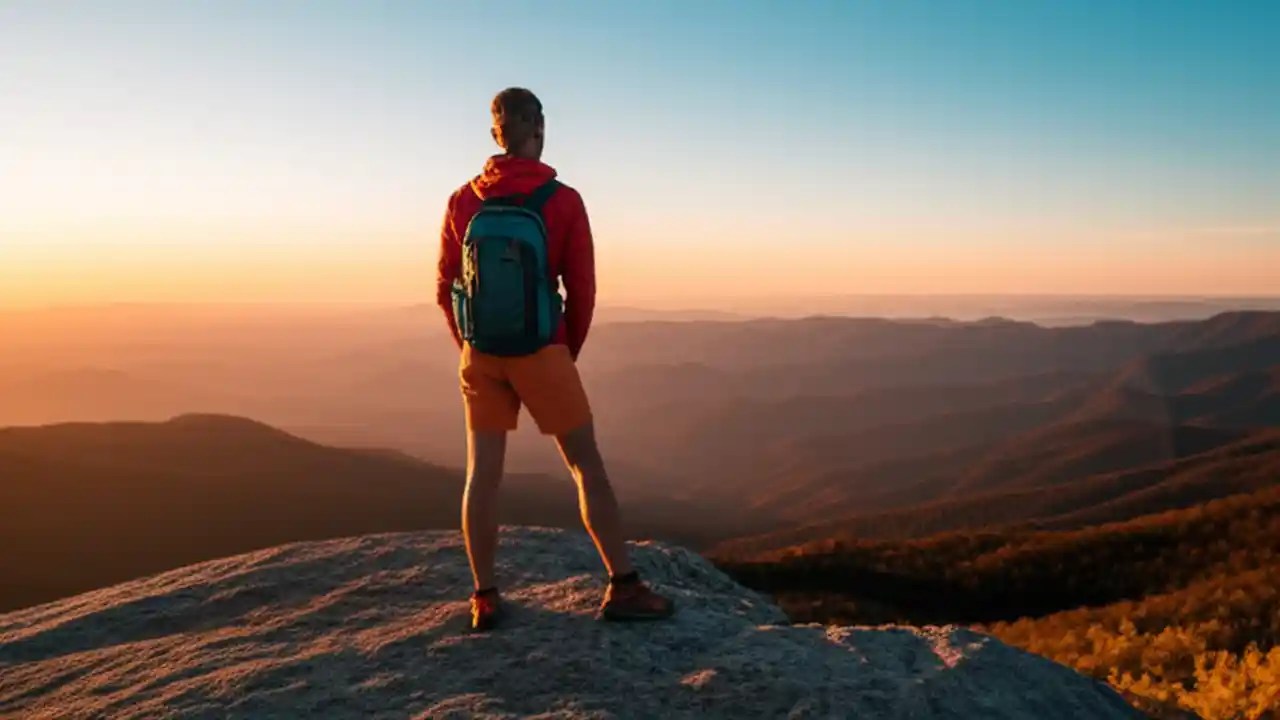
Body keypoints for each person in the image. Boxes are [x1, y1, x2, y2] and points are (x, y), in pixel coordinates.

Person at [436, 87, 675, 632]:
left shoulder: (462, 201)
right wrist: (563, 352)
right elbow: (583, 290)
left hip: (481, 354)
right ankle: (623, 586)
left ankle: (485, 596)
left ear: (495, 133)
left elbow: (444, 285)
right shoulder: (562, 200)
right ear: (538, 129)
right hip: (543, 352)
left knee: (483, 475)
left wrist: (470, 347)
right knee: (586, 467)